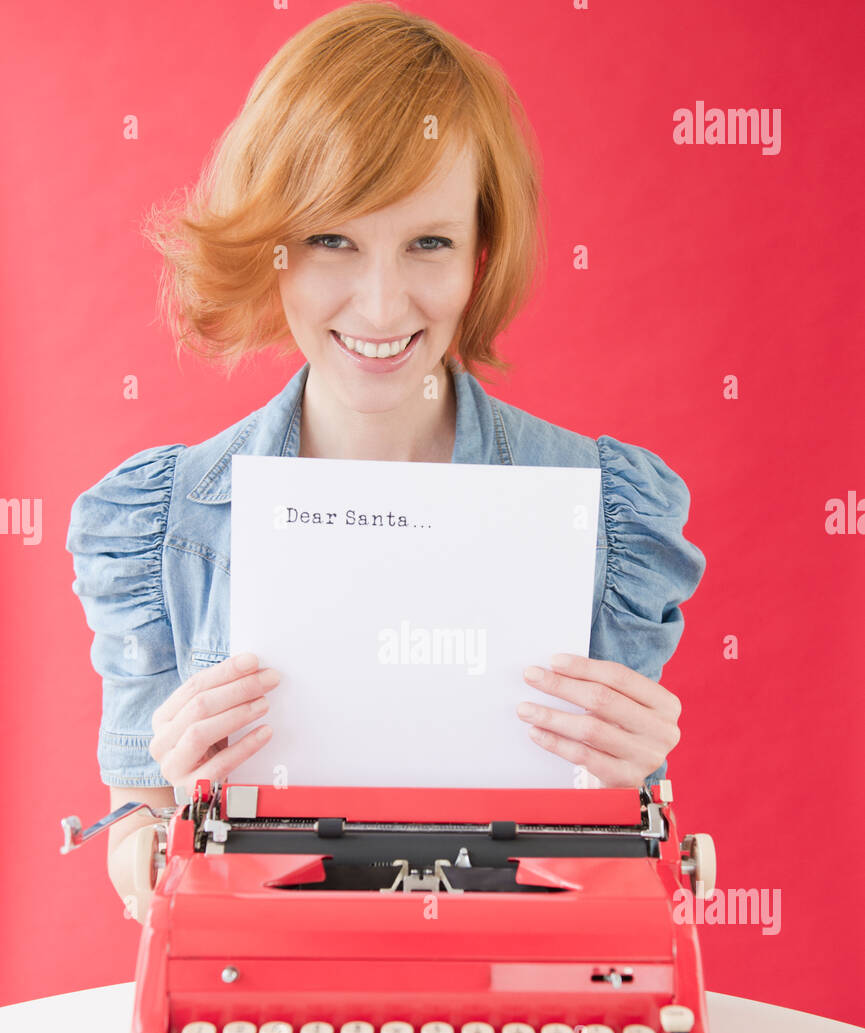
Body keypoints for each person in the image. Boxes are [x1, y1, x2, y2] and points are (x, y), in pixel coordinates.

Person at [65, 2, 705, 920]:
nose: (378, 304)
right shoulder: (154, 522)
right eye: (332, 239)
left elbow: (623, 866)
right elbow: (138, 841)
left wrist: (644, 780)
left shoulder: (610, 515)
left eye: (428, 244)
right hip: (260, 975)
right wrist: (162, 820)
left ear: (480, 256)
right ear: (273, 246)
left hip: (522, 970)